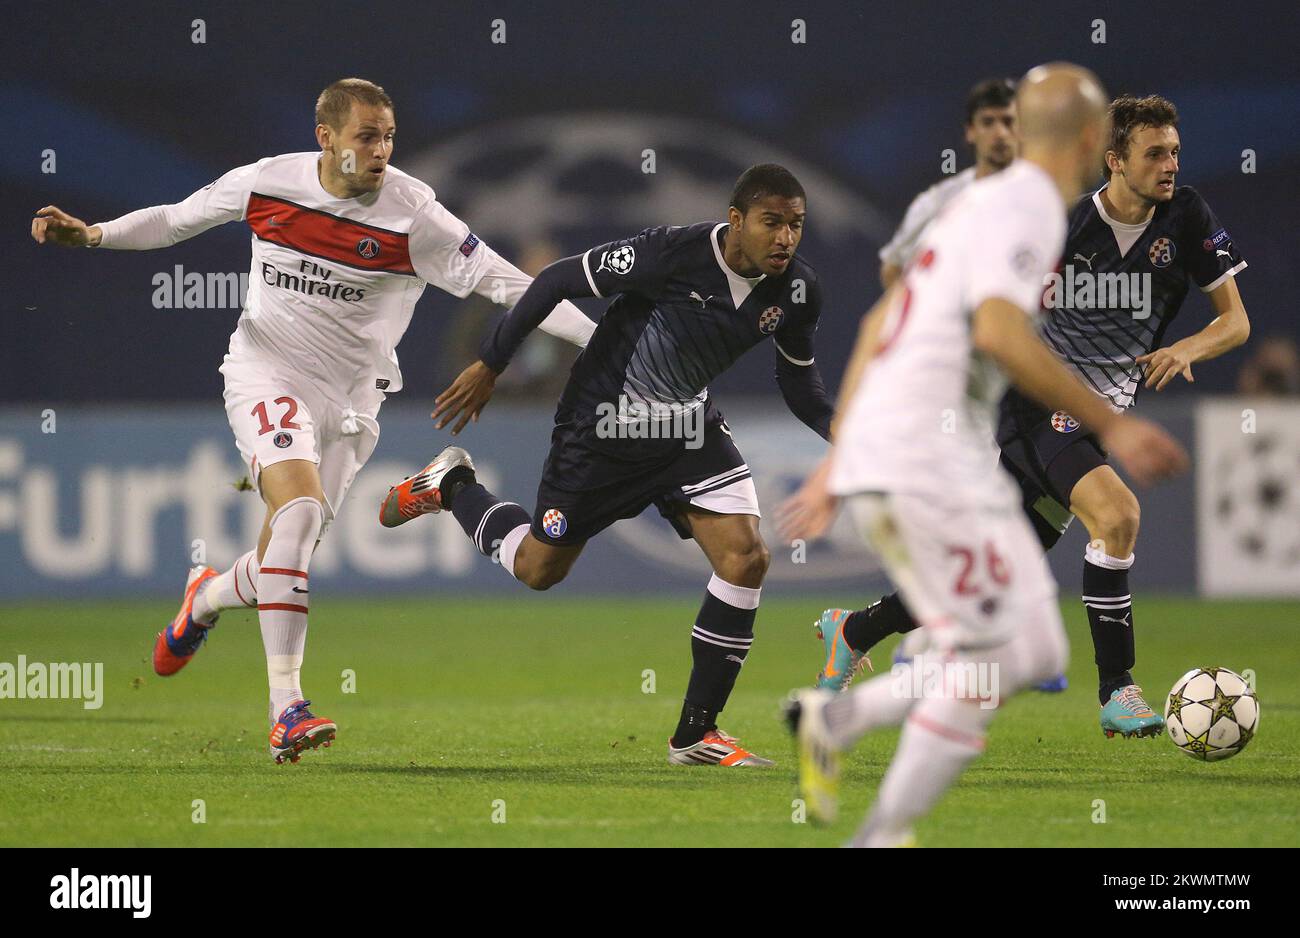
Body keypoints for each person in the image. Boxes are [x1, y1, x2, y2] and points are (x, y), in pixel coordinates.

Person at [30, 78, 594, 764]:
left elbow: (513, 286)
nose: (381, 151)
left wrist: (604, 341)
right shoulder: (269, 184)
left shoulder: (414, 215)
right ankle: (285, 711)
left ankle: (205, 597)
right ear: (326, 136)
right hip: (267, 373)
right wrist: (92, 235)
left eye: (388, 136)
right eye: (366, 136)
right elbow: (177, 219)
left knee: (285, 557)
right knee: (297, 513)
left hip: (355, 401)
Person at [779, 64, 1188, 845]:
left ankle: (836, 716)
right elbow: (1002, 332)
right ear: (1095, 140)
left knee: (1032, 647)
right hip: (922, 464)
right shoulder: (1033, 207)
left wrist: (840, 459)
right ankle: (880, 833)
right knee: (991, 656)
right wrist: (1116, 422)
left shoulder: (975, 204)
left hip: (929, 458)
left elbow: (877, 326)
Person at [813, 94, 1251, 738]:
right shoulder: (1059, 226)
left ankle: (853, 630)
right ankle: (1118, 691)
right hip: (1033, 408)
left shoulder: (1186, 217)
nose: (1170, 166)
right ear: (1113, 161)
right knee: (1118, 514)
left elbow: (1235, 320)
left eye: (1175, 153)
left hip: (1095, 418)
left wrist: (1188, 346)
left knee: (991, 580)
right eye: (1154, 153)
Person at [380, 164, 834, 766]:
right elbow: (554, 282)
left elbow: (799, 383)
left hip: (684, 428)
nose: (785, 238)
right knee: (540, 568)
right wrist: (491, 362)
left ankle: (696, 733)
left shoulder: (797, 290)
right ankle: (453, 486)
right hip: (604, 427)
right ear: (736, 221)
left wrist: (849, 441)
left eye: (795, 225)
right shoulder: (671, 254)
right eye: (771, 223)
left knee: (746, 557)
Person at [877, 77, 1018, 290]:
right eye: (988, 122)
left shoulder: (1048, 199)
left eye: (1008, 122)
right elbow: (893, 267)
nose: (999, 133)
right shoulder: (938, 201)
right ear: (970, 131)